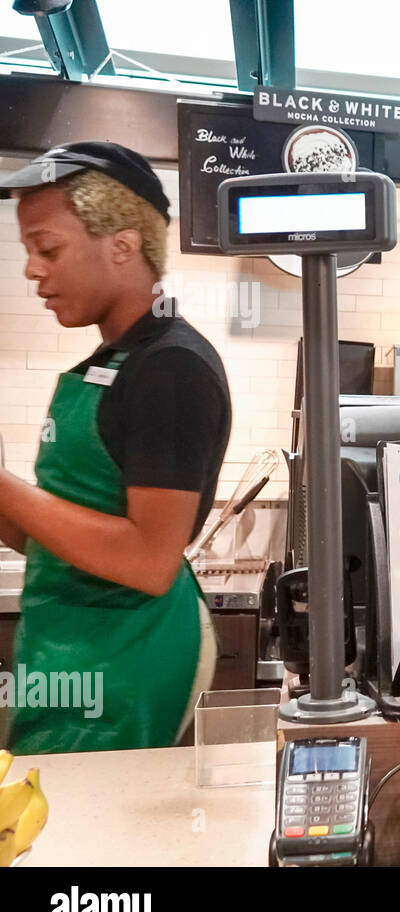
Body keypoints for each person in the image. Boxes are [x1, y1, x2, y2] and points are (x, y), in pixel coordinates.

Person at [0, 142, 231, 754]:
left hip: (124, 655)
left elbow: (148, 563)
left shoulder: (171, 369)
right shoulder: (111, 363)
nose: (32, 270)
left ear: (123, 246)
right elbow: (53, 542)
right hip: (72, 641)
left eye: (47, 249)